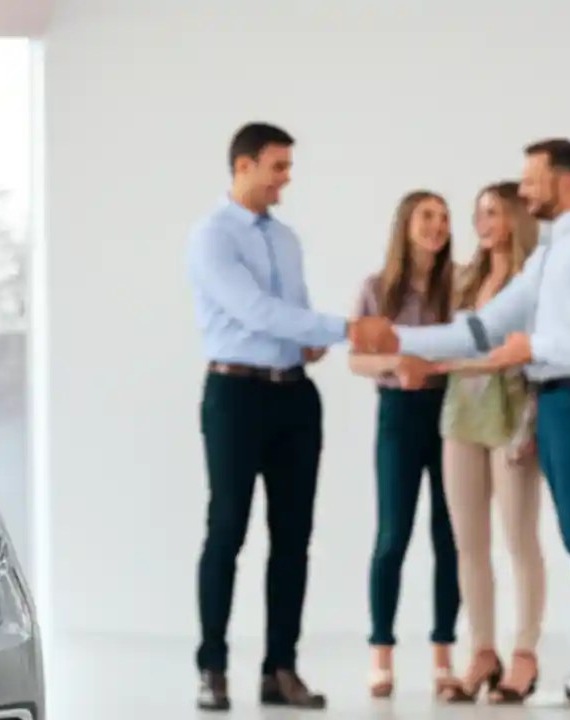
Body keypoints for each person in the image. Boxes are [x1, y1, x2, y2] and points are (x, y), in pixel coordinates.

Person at [366, 138, 570, 718]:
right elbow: (482, 327)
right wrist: (400, 341)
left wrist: (537, 345)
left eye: (531, 181)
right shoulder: (547, 257)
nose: (522, 191)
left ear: (563, 183)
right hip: (556, 401)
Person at [186, 121, 396, 712]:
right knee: (227, 529)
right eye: (278, 167)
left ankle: (281, 669)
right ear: (244, 165)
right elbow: (254, 311)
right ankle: (212, 668)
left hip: (294, 397)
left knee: (294, 539)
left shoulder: (287, 239)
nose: (286, 179)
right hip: (236, 396)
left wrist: (313, 341)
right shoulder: (212, 237)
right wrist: (345, 328)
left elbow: (290, 315)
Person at [347, 190, 462, 700]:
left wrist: (433, 366)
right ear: (406, 224)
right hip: (398, 415)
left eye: (443, 218)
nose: (437, 226)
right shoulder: (377, 289)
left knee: (449, 536)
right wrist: (395, 364)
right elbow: (355, 358)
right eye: (427, 216)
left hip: (451, 415)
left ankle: (443, 658)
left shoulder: (458, 287)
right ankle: (381, 653)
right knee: (392, 535)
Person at [437, 181, 546, 704]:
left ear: (515, 220)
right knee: (468, 544)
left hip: (511, 414)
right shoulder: (464, 279)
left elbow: (539, 360)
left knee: (519, 539)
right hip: (461, 415)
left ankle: (524, 653)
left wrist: (529, 427)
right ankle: (482, 650)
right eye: (477, 212)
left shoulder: (534, 279)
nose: (481, 223)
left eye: (493, 212)